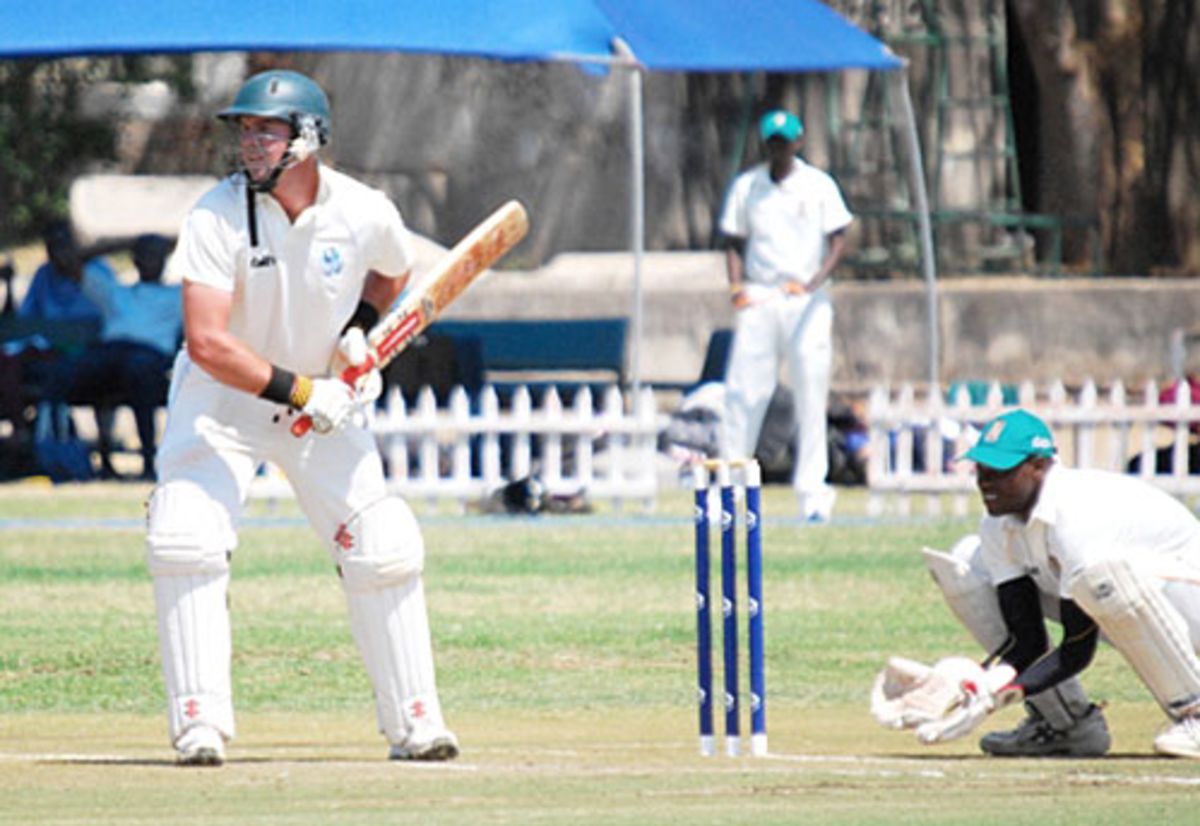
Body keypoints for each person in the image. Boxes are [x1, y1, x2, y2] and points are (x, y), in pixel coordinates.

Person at [147, 69, 457, 766]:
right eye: (245, 131)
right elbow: (207, 341)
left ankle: (417, 723)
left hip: (323, 401)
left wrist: (360, 328)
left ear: (309, 138)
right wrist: (302, 393)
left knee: (383, 543)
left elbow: (391, 272)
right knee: (184, 534)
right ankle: (200, 723)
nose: (249, 143)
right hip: (223, 403)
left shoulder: (365, 209)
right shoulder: (214, 214)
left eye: (265, 130)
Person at [915, 408, 1200, 759]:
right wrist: (977, 685)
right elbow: (1026, 642)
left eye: (999, 471)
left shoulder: (1076, 514)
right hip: (1125, 603)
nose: (985, 482)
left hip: (1186, 600)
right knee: (968, 560)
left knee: (1103, 578)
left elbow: (1077, 648)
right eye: (981, 469)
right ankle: (1067, 725)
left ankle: (1196, 714)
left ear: (1038, 465)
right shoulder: (999, 525)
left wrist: (1000, 695)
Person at [717, 109, 852, 523]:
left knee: (811, 393)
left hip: (804, 299)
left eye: (785, 141)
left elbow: (839, 237)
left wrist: (813, 283)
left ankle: (813, 494)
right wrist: (737, 287)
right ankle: (730, 486)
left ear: (798, 142)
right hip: (760, 295)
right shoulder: (748, 187)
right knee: (744, 392)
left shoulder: (817, 185)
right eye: (772, 142)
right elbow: (734, 241)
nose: (778, 149)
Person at [47, 233, 182, 480]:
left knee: (139, 370)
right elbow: (66, 262)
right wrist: (118, 243)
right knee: (70, 369)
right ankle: (66, 459)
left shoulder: (180, 295)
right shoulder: (115, 291)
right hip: (111, 353)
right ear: (134, 260)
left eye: (155, 255)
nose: (149, 261)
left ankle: (149, 463)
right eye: (143, 255)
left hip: (150, 358)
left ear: (165, 259)